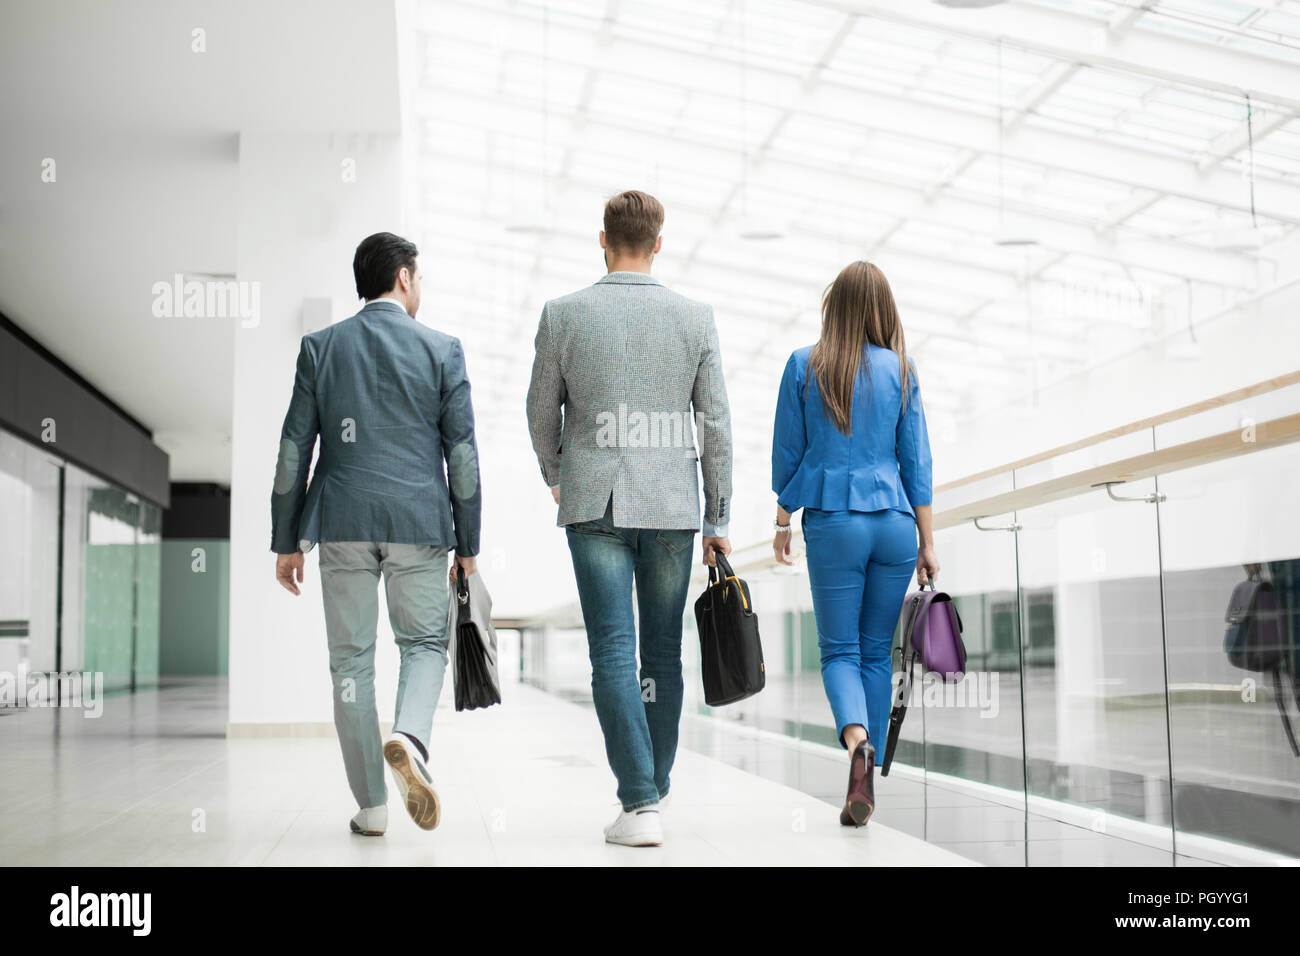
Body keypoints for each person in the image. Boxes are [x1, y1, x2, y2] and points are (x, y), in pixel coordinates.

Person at [526, 190, 733, 847]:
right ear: (659, 243)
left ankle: (639, 800)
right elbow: (717, 427)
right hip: (672, 507)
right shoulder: (695, 319)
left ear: (602, 239)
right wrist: (718, 515)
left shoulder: (564, 315)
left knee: (613, 651)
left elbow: (539, 412)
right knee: (661, 653)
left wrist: (557, 472)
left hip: (595, 502)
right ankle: (654, 793)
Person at [270, 232, 482, 837]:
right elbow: (461, 457)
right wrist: (467, 545)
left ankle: (371, 805)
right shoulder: (442, 350)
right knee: (422, 645)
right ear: (406, 278)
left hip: (341, 522)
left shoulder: (321, 348)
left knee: (350, 662)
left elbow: (293, 453)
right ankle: (409, 738)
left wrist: (286, 539)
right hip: (418, 521)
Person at [770, 260, 938, 828]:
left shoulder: (804, 364)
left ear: (832, 307)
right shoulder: (904, 371)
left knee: (838, 651)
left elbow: (788, 451)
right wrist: (927, 542)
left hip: (835, 521)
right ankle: (869, 775)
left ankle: (858, 744)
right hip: (894, 522)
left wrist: (782, 515)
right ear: (881, 309)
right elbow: (917, 462)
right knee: (873, 652)